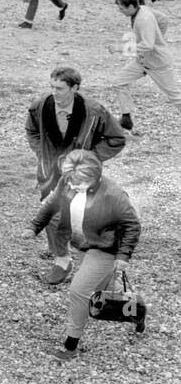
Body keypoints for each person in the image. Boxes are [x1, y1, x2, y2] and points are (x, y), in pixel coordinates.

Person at [31, 152, 143, 360]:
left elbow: (132, 225)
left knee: (78, 290)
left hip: (105, 248)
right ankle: (136, 309)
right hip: (81, 243)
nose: (72, 187)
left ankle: (71, 344)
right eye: (70, 182)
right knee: (104, 286)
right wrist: (34, 227)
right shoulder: (68, 181)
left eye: (78, 184)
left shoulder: (114, 194)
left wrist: (123, 256)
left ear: (94, 177)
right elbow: (51, 204)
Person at [24, 67, 126, 286]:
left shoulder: (94, 111)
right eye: (51, 87)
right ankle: (62, 259)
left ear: (75, 88)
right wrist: (41, 152)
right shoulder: (40, 106)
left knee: (90, 218)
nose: (54, 92)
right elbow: (31, 131)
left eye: (59, 88)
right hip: (50, 173)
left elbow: (116, 139)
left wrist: (90, 158)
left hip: (82, 177)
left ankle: (100, 264)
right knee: (52, 215)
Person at [107, 0, 181, 130]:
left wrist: (120, 47)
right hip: (143, 61)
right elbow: (163, 20)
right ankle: (126, 118)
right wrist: (159, 38)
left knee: (175, 97)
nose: (120, 11)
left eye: (121, 8)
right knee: (119, 82)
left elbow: (147, 45)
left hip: (159, 64)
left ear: (130, 6)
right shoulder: (144, 10)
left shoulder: (143, 19)